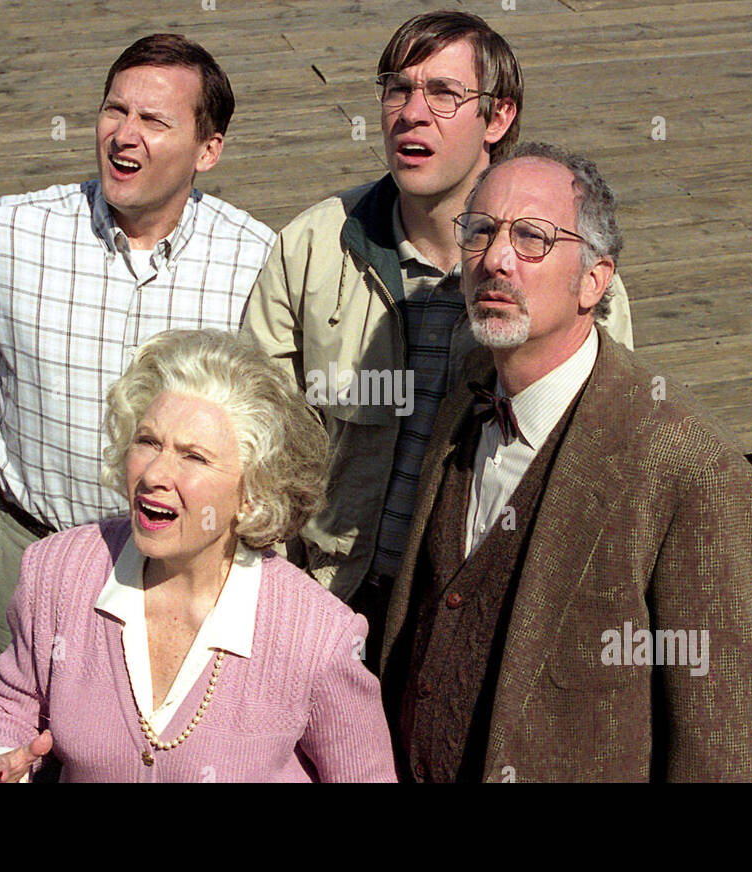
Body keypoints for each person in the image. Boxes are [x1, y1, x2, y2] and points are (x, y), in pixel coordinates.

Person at [379, 142, 752, 782]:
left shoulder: (695, 472)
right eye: (480, 232)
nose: (495, 260)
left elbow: (728, 739)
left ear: (594, 281)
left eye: (532, 239)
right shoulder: (467, 394)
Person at [0, 34, 275, 691]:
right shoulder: (9, 230)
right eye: (115, 110)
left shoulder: (257, 260)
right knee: (5, 750)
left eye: (153, 121)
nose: (124, 136)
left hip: (182, 571)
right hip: (27, 552)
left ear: (209, 149)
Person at [241, 11, 633, 643]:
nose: (410, 113)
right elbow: (252, 441)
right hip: (330, 605)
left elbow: (598, 462)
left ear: (498, 118)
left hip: (477, 621)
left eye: (445, 94)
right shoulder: (311, 247)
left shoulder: (569, 280)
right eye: (398, 88)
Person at [0, 330, 397, 782]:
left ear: (253, 493)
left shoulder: (317, 636)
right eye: (148, 441)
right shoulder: (58, 571)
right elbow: (10, 701)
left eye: (193, 456)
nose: (154, 473)